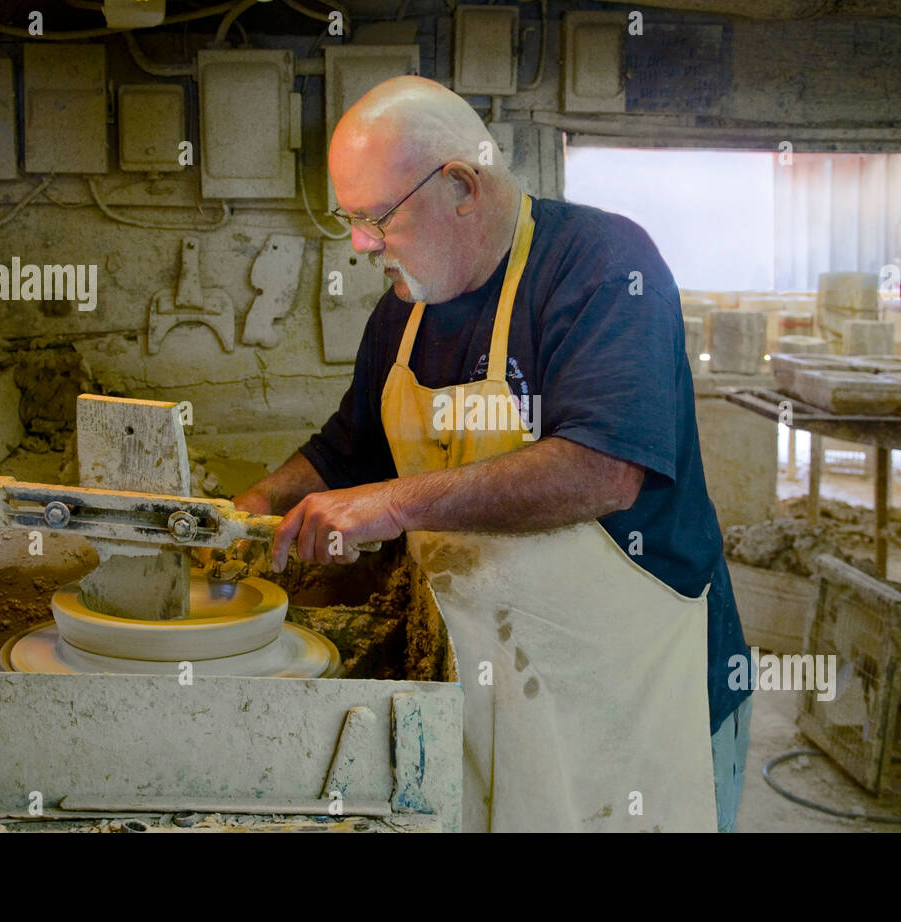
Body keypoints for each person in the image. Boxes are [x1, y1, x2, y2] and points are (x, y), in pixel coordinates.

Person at [234, 75, 752, 832]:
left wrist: (394, 504)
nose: (360, 244)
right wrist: (251, 507)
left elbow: (601, 470)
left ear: (461, 188)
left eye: (376, 218)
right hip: (496, 679)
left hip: (634, 691)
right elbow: (347, 452)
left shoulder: (604, 265)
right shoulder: (401, 314)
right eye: (348, 220)